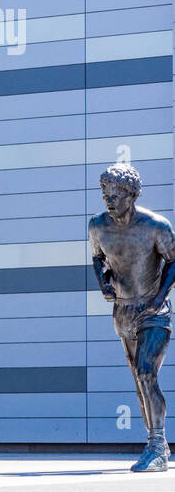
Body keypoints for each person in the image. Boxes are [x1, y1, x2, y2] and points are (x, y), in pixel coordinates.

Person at [89, 163, 174, 472]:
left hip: (153, 311)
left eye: (116, 194)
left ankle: (157, 446)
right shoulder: (97, 226)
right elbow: (98, 260)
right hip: (123, 310)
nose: (109, 200)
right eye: (105, 194)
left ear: (132, 194)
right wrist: (104, 284)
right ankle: (156, 444)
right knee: (139, 380)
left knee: (148, 373)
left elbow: (174, 261)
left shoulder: (155, 226)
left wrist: (159, 296)